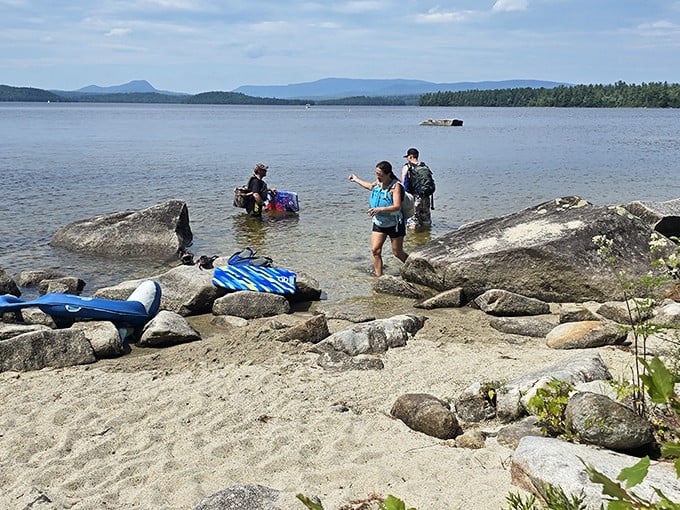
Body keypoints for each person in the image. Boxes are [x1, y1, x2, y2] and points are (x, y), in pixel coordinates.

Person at [348, 160, 408, 277]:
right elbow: (370, 186)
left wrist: (379, 209)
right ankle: (379, 277)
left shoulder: (396, 187)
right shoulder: (378, 182)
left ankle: (415, 266)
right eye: (376, 174)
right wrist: (356, 180)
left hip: (395, 223)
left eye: (380, 174)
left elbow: (397, 206)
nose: (378, 177)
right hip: (379, 223)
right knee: (375, 251)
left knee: (397, 253)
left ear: (388, 174)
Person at [401, 147, 434, 230]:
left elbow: (403, 183)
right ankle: (426, 237)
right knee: (426, 221)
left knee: (412, 222)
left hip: (414, 198)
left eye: (408, 157)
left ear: (411, 156)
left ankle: (414, 241)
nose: (407, 159)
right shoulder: (424, 166)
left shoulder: (407, 167)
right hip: (426, 196)